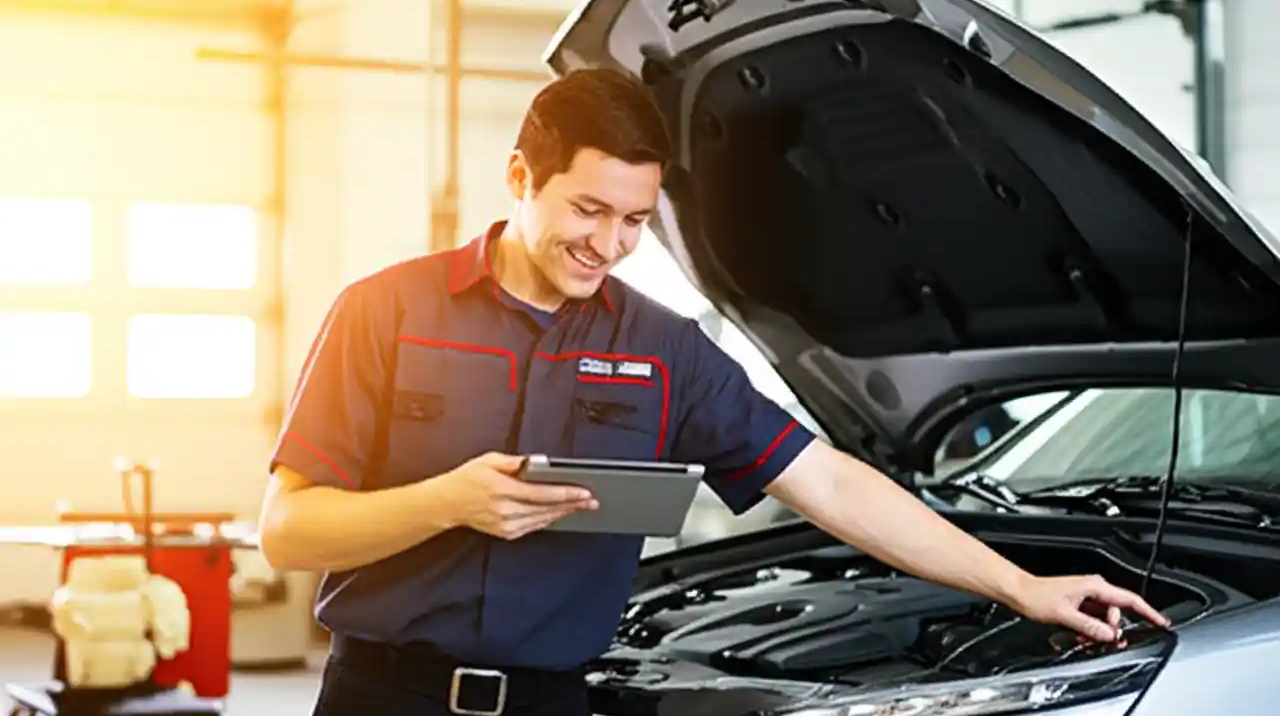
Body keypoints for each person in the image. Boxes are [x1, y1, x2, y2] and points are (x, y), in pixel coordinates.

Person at [258, 68, 1168, 716]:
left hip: (555, 704)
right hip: (380, 697)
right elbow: (289, 532)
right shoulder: (386, 312)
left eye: (634, 222)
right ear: (519, 179)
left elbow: (830, 482)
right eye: (587, 209)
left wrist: (1023, 586)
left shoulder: (664, 348)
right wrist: (446, 502)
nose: (609, 244)